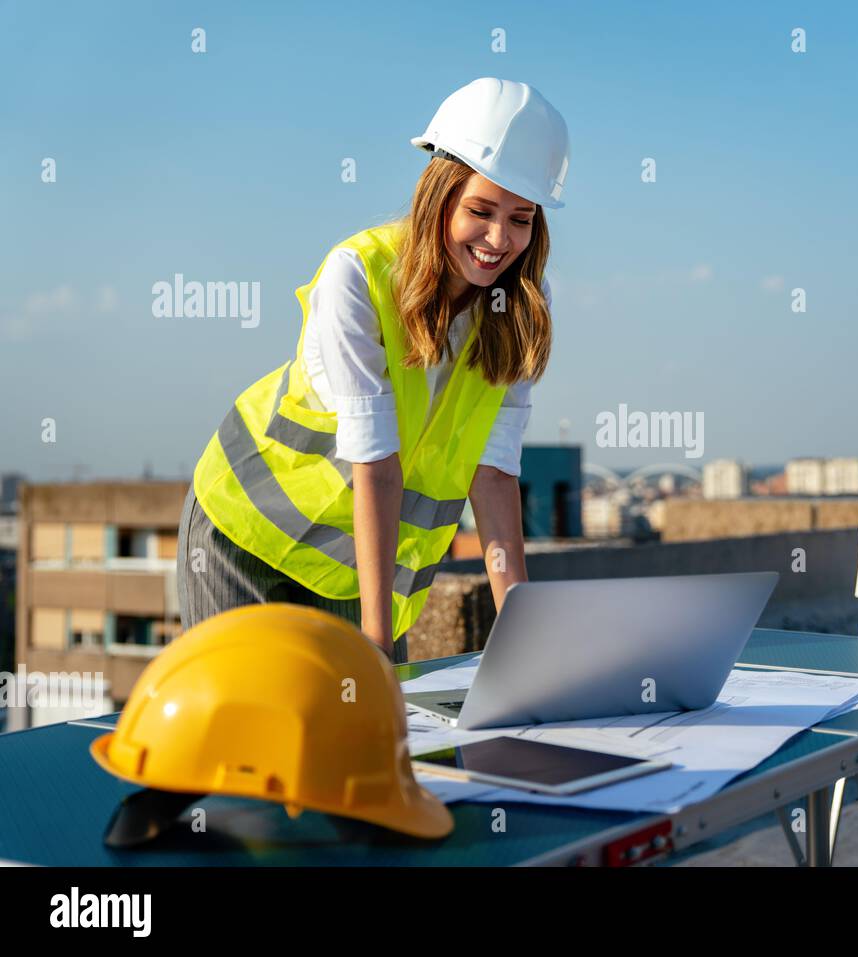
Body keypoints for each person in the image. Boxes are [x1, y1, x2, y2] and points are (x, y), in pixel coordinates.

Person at [176, 77, 570, 663]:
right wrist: (377, 643)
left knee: (365, 744)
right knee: (255, 733)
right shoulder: (358, 275)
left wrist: (525, 638)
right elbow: (376, 463)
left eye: (521, 218)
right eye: (480, 211)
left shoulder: (514, 315)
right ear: (440, 197)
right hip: (245, 537)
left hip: (352, 566)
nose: (498, 239)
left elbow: (494, 479)